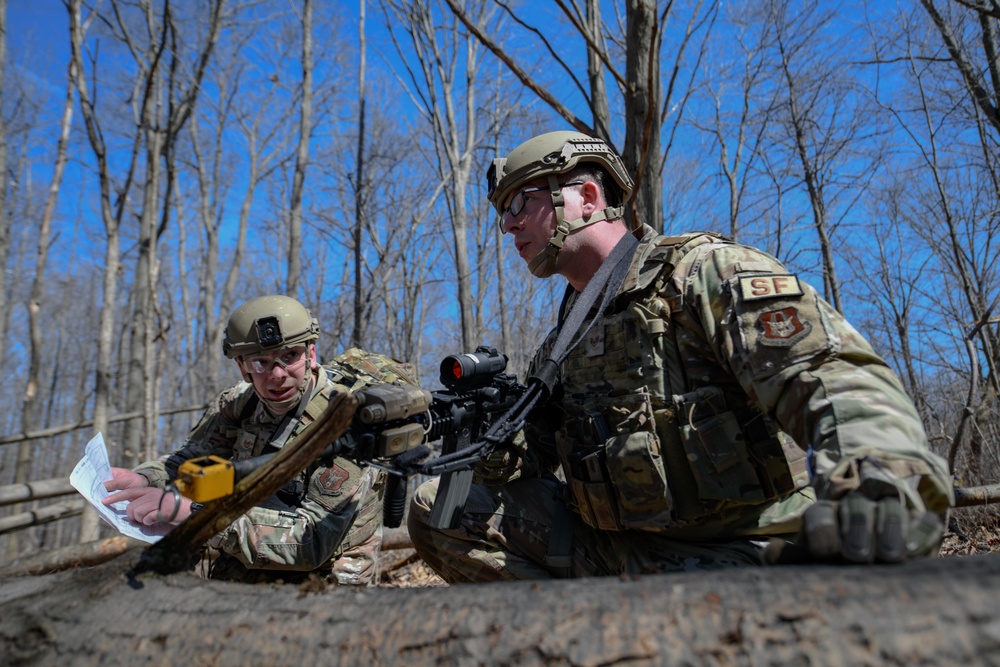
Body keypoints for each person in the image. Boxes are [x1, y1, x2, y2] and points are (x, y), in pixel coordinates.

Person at [407, 131, 954, 582]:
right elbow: (533, 459)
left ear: (587, 197)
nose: (507, 224)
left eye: (518, 203)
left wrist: (879, 485)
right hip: (623, 557)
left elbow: (830, 378)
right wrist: (475, 432)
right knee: (442, 508)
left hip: (746, 551)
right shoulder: (560, 345)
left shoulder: (701, 274)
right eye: (502, 212)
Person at [103, 295, 417, 585]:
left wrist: (196, 514)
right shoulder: (239, 403)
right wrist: (145, 477)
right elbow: (190, 460)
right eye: (260, 362)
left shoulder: (346, 421)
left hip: (328, 575)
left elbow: (312, 542)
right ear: (242, 368)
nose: (277, 374)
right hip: (249, 551)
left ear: (310, 354)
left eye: (289, 356)